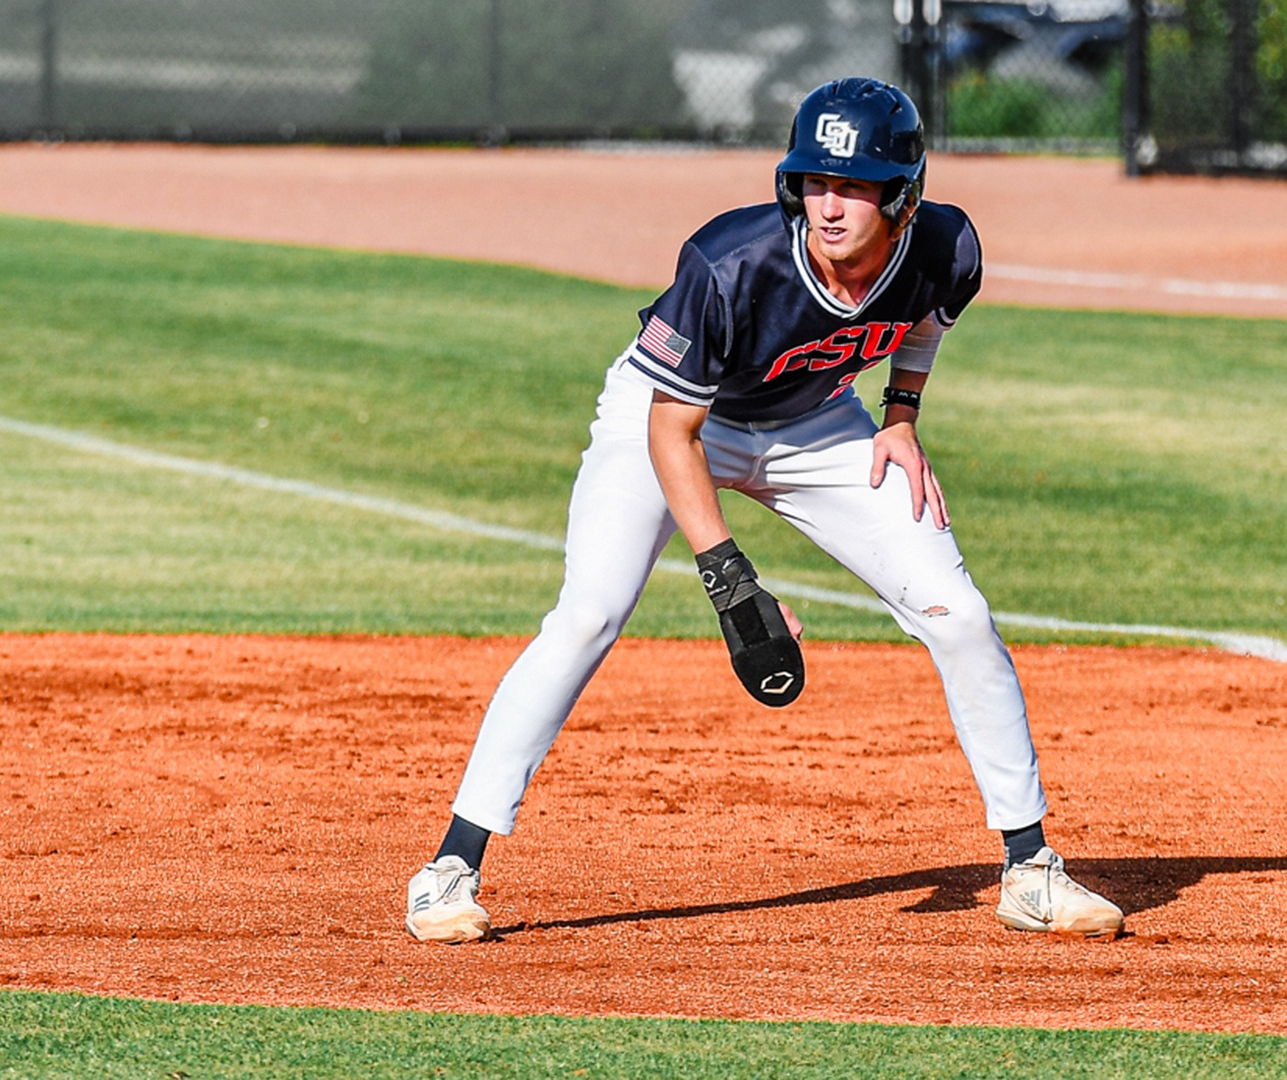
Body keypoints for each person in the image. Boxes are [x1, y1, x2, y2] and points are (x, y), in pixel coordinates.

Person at [405, 77, 1123, 943]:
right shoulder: (730, 262)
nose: (829, 206)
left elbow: (926, 320)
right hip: (671, 418)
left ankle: (1030, 871)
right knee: (588, 614)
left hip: (818, 427)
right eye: (815, 182)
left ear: (901, 196)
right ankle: (450, 868)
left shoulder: (947, 247)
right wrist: (730, 580)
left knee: (959, 615)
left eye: (853, 188)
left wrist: (901, 415)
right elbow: (672, 432)